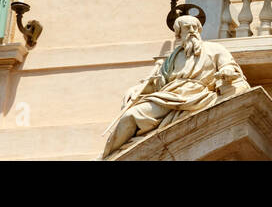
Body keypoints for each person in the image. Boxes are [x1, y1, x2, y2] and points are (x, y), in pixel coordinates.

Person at [102, 14, 249, 157]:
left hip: (198, 94)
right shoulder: (173, 57)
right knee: (130, 115)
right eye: (187, 28)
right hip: (168, 95)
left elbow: (228, 66)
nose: (192, 31)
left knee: (133, 115)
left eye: (195, 27)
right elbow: (158, 84)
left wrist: (227, 70)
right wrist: (135, 90)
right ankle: (109, 155)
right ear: (179, 34)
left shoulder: (215, 49)